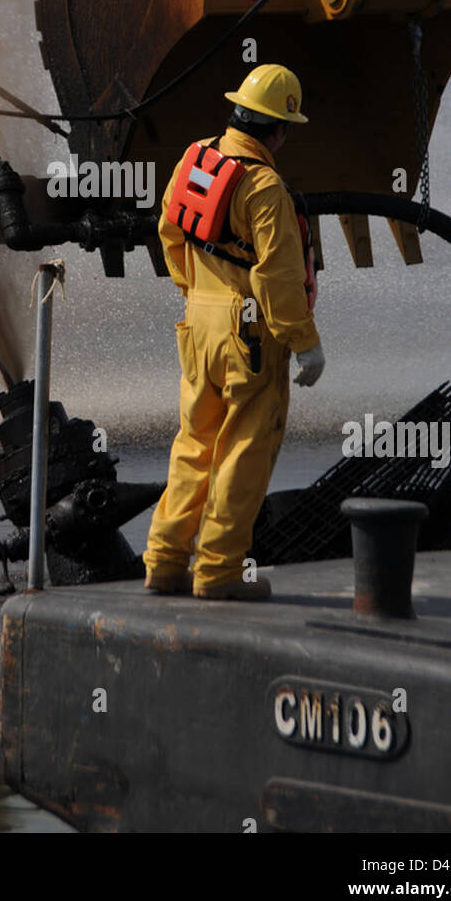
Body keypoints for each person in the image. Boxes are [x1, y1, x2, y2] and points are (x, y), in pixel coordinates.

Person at [143, 63, 325, 601]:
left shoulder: (196, 158)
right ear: (279, 129)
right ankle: (218, 573)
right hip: (247, 334)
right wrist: (304, 343)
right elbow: (278, 277)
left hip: (197, 324)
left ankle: (164, 562)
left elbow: (168, 231)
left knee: (195, 442)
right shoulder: (265, 187)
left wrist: (195, 291)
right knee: (244, 447)